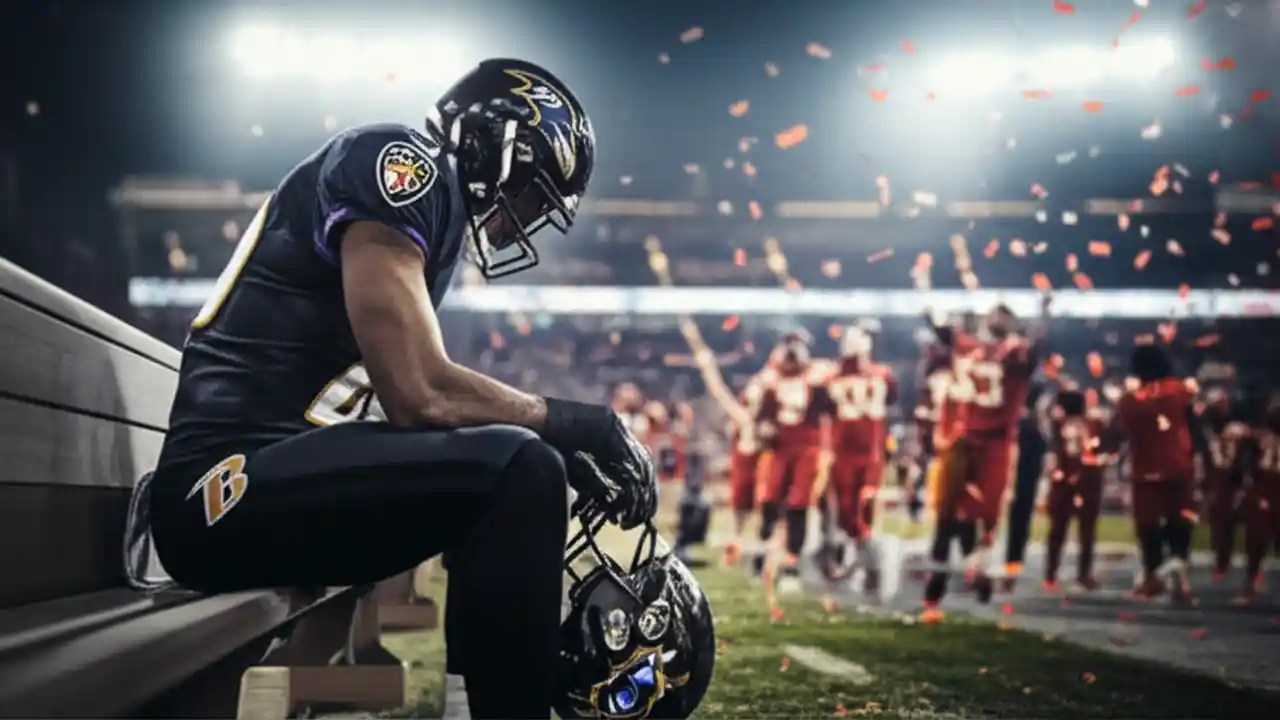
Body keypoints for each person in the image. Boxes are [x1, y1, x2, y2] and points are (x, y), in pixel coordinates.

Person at [142, 59, 658, 719]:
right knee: (521, 468)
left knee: (513, 467)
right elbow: (419, 393)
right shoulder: (401, 161)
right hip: (218, 489)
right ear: (494, 144)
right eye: (529, 197)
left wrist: (549, 436)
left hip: (264, 476)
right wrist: (569, 422)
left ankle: (471, 706)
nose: (520, 224)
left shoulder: (427, 216)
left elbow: (416, 420)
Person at [921, 297, 1047, 620]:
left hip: (997, 442)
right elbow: (940, 329)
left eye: (1004, 315)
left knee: (989, 514)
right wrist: (926, 298)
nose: (996, 318)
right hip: (962, 439)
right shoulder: (968, 345)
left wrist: (1043, 312)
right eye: (995, 312)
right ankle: (936, 582)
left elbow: (1035, 348)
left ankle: (981, 564)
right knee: (945, 513)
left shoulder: (1014, 352)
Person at [1115, 344, 1201, 604]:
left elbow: (1119, 433)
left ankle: (1152, 577)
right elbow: (1195, 427)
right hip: (1179, 468)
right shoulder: (1181, 392)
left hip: (1146, 470)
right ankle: (1180, 574)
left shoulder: (1129, 401)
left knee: (1149, 526)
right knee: (1179, 523)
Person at [821, 326, 898, 591]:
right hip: (851, 451)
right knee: (847, 511)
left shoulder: (834, 377)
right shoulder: (878, 375)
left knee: (863, 507)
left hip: (864, 452)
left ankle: (870, 561)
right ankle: (865, 559)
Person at [754, 332, 831, 590]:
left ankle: (791, 561)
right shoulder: (771, 380)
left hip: (807, 445)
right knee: (770, 497)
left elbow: (830, 409)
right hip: (781, 446)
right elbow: (762, 416)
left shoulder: (816, 379)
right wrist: (764, 429)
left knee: (799, 502)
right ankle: (767, 548)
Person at [1042, 387, 1108, 592]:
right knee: (1086, 531)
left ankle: (1051, 574)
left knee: (1057, 531)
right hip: (1088, 482)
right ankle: (1083, 574)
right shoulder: (1092, 424)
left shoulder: (1059, 426)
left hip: (1064, 484)